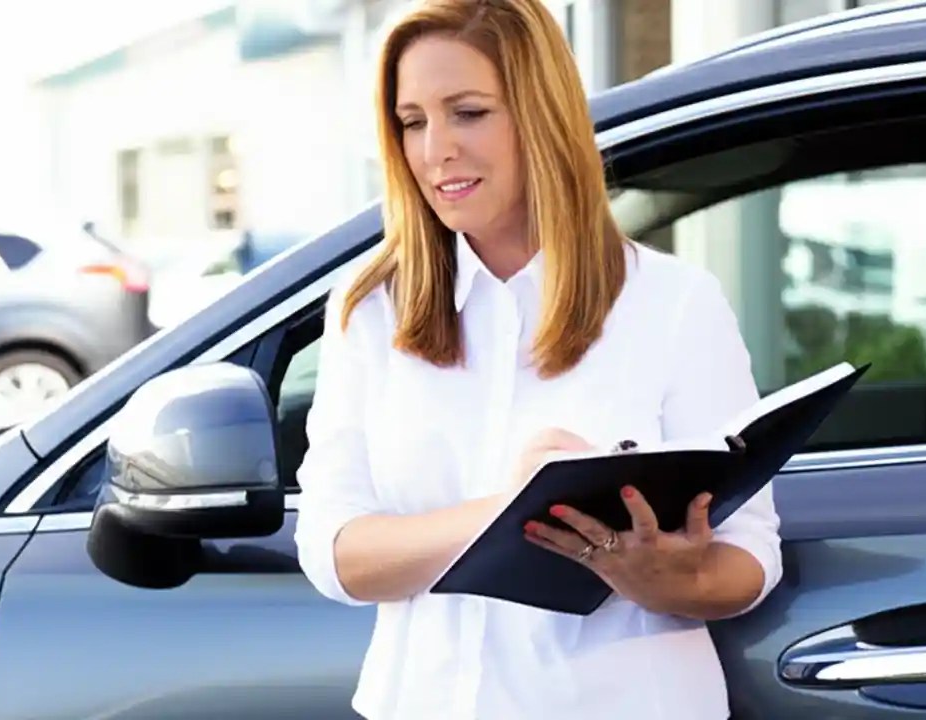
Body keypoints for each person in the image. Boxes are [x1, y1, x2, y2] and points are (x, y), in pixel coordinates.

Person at [292, 1, 783, 718]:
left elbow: (750, 559)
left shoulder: (673, 302)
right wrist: (520, 507)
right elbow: (335, 554)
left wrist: (655, 575)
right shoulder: (371, 309)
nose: (435, 151)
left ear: (539, 113)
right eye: (412, 122)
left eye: (468, 112)